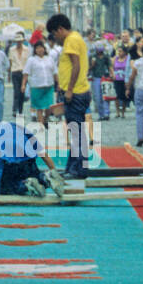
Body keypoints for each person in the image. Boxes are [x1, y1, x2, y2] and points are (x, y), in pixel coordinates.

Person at [46, 13, 91, 181]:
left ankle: (79, 169)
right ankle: (73, 167)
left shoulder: (71, 40)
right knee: (75, 132)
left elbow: (76, 65)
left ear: (60, 29)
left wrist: (70, 89)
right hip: (76, 91)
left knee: (77, 132)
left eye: (54, 34)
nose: (54, 38)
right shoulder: (74, 38)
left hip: (76, 92)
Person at [0, 120, 62, 197]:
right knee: (35, 176)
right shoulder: (16, 126)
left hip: (9, 163)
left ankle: (27, 184)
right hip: (28, 160)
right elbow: (42, 152)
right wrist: (54, 170)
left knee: (7, 189)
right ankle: (46, 177)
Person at [22, 40, 56, 126]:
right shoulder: (31, 60)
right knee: (39, 107)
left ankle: (45, 120)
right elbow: (26, 73)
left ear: (44, 49)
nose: (40, 50)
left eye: (41, 48)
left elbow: (55, 71)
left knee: (49, 106)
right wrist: (23, 84)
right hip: (36, 86)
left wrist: (58, 83)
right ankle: (40, 125)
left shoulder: (49, 59)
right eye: (37, 48)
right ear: (35, 50)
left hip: (49, 85)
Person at [89, 42, 112, 121]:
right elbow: (89, 68)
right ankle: (101, 114)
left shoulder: (106, 56)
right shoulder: (92, 57)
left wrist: (112, 74)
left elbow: (110, 66)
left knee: (105, 97)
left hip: (105, 78)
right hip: (96, 78)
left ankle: (106, 113)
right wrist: (92, 64)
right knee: (98, 97)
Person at [8, 34, 29, 116]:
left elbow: (28, 61)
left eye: (20, 41)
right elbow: (10, 62)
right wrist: (9, 74)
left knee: (22, 92)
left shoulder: (26, 49)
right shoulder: (11, 49)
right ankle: (14, 109)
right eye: (17, 41)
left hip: (24, 72)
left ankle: (20, 110)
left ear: (22, 41)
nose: (19, 43)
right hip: (15, 71)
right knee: (16, 91)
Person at [111, 45, 129, 117]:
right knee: (116, 96)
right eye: (118, 51)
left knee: (124, 96)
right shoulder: (115, 58)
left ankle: (123, 112)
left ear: (124, 52)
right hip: (117, 79)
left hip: (124, 80)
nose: (119, 52)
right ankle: (118, 112)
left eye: (120, 51)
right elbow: (111, 67)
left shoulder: (127, 59)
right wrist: (112, 74)